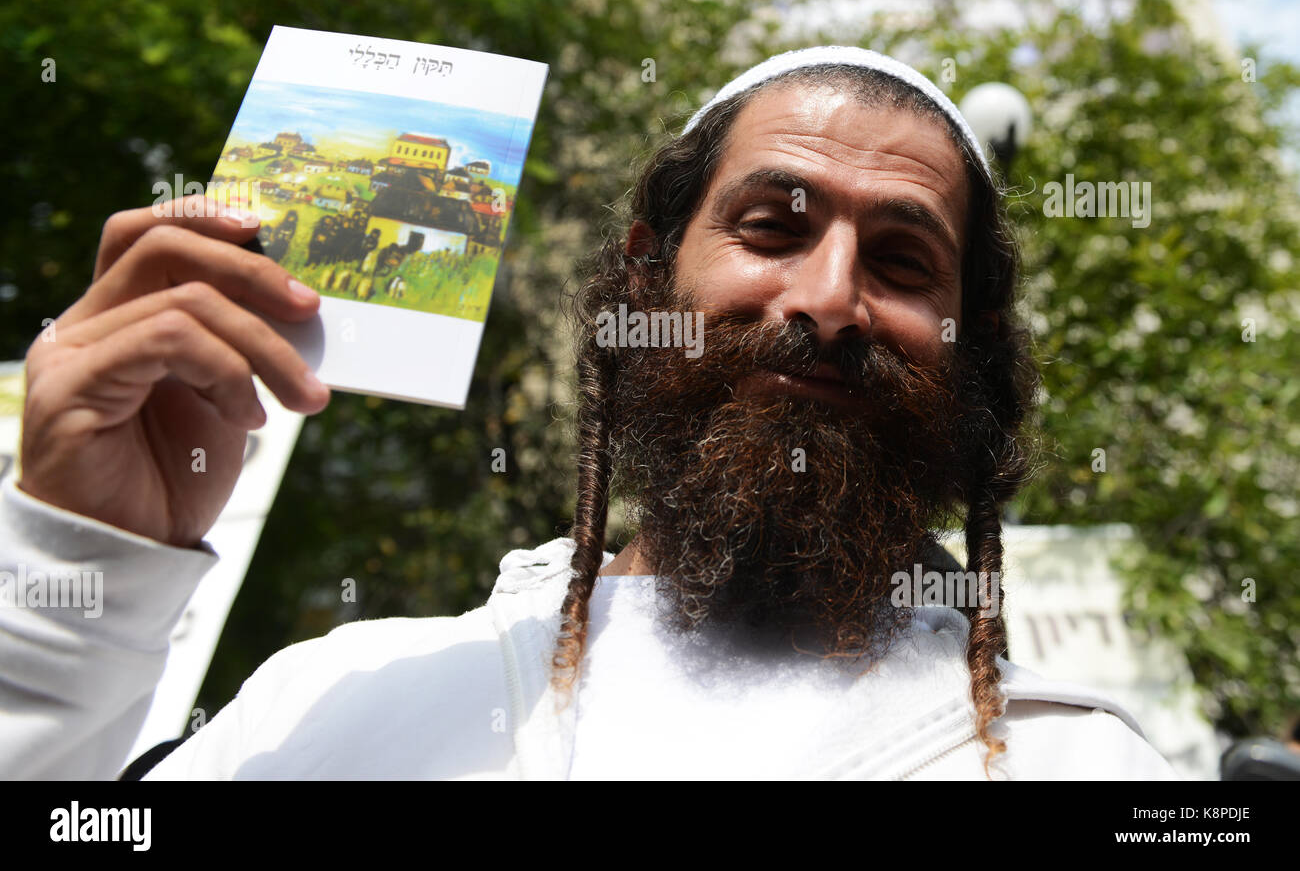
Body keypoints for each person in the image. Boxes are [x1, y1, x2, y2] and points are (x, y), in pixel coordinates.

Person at [0, 47, 1178, 780]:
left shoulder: (1093, 767)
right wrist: (80, 577)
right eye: (771, 227)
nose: (828, 301)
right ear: (645, 274)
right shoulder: (344, 697)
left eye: (905, 261)